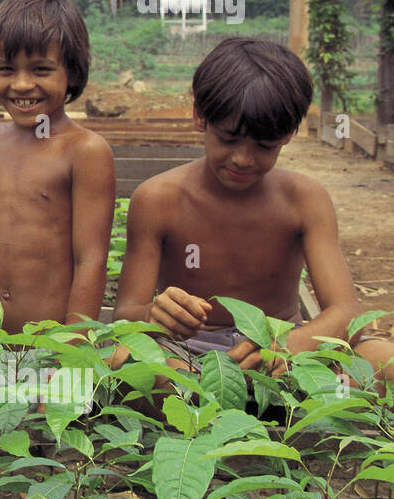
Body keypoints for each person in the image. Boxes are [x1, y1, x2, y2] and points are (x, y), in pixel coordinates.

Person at [111, 36, 393, 385]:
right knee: (132, 368)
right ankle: (202, 394)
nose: (243, 159)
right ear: (201, 116)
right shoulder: (158, 198)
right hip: (187, 352)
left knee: (386, 362)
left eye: (264, 145)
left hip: (282, 350)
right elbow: (125, 313)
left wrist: (287, 345)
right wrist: (155, 315)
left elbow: (345, 311)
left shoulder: (305, 199)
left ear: (288, 134)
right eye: (228, 139)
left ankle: (226, 398)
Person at [0, 0, 115, 332]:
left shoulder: (85, 151)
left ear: (73, 74)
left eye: (41, 69)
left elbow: (90, 261)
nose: (21, 84)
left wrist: (73, 346)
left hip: (51, 346)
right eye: (6, 69)